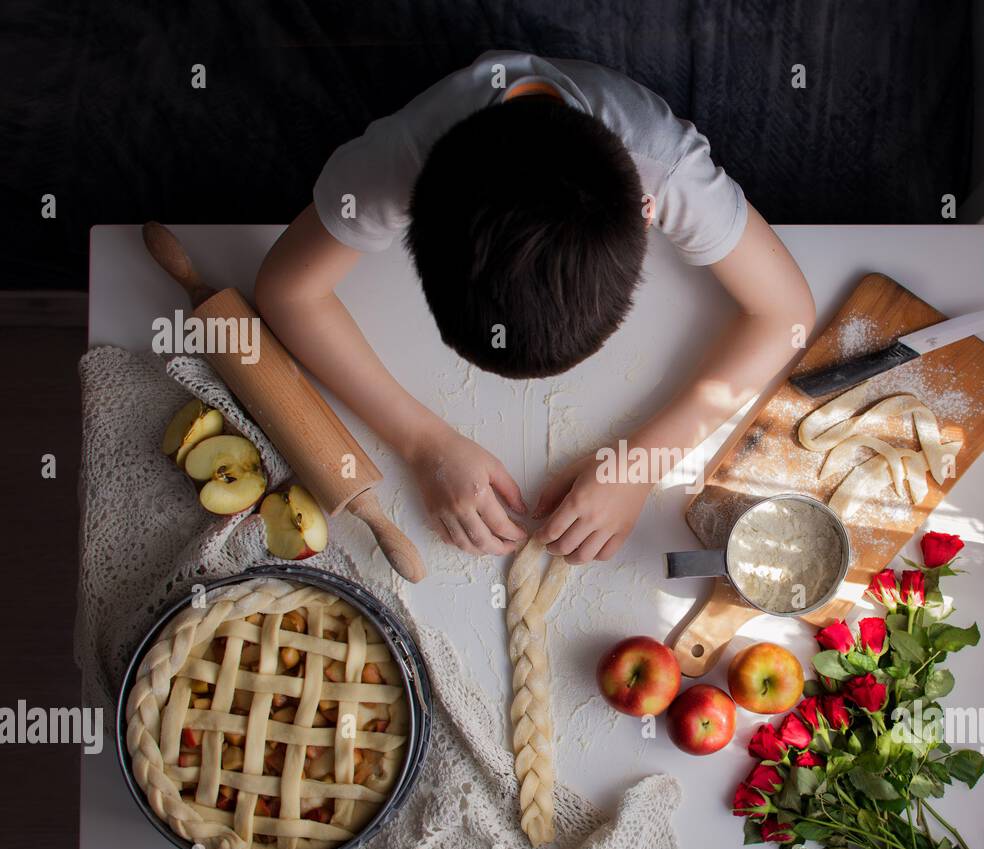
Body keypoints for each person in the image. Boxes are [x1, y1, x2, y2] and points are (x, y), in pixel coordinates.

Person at [255, 51, 814, 563]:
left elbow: (787, 315)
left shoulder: (662, 163)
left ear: (647, 214)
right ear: (411, 226)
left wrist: (644, 462)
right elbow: (285, 291)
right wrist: (423, 442)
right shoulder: (392, 167)